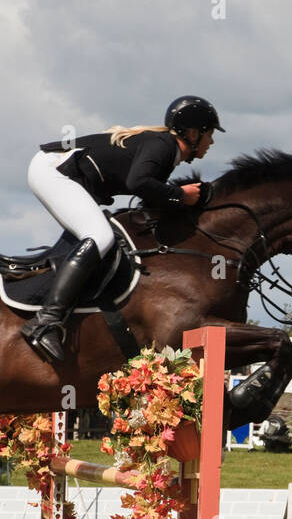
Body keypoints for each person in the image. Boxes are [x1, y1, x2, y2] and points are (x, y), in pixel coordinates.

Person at [19, 95, 226, 364]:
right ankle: (45, 322)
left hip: (60, 173)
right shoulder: (163, 146)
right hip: (54, 171)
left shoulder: (165, 150)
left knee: (99, 238)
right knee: (100, 236)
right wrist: (180, 195)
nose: (212, 142)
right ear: (194, 133)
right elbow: (138, 182)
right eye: (210, 135)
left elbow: (149, 195)